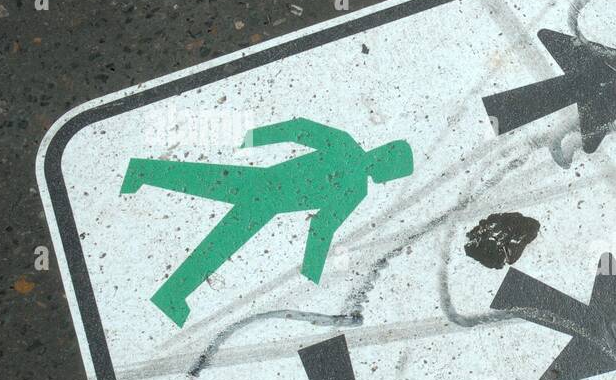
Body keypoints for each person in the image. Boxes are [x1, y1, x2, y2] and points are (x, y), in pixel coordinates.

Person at [120, 118, 413, 326]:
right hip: (268, 196)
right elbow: (322, 226)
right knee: (217, 237)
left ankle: (142, 172)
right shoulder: (354, 181)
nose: (389, 178)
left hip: (268, 190)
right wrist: (312, 276)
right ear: (387, 163)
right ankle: (171, 293)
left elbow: (298, 130)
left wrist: (252, 137)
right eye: (394, 172)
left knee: (201, 185)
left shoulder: (352, 166)